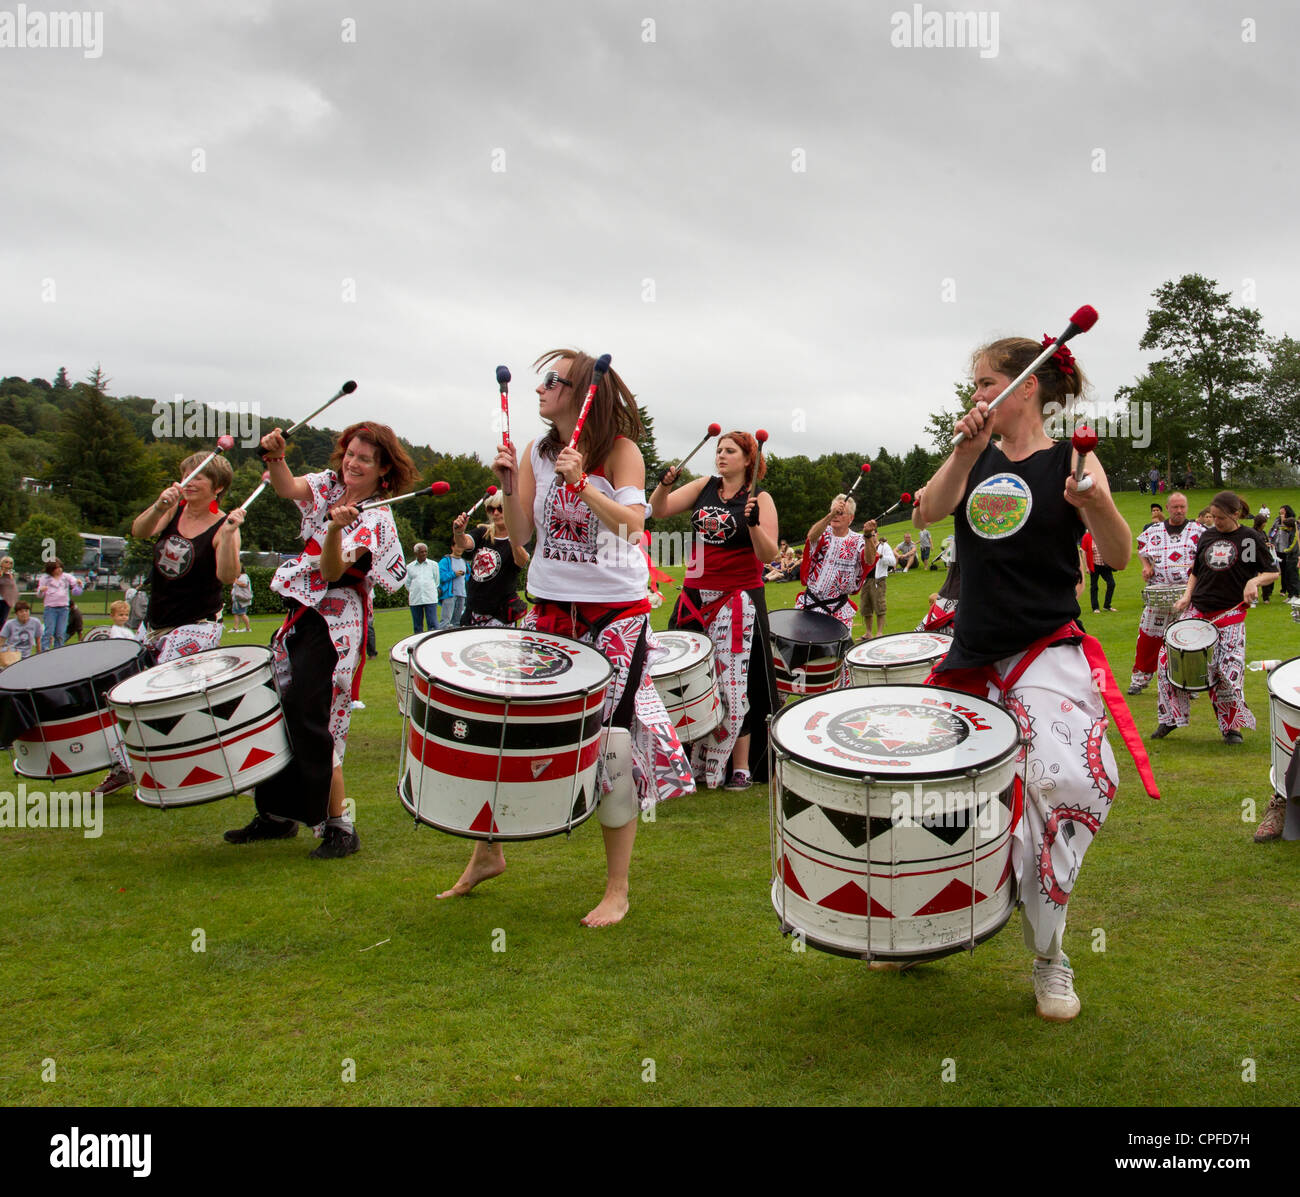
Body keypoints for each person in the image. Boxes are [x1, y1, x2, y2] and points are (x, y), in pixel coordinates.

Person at [915, 331, 1141, 1023]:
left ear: (1028, 385)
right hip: (974, 652)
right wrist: (961, 448)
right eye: (976, 385)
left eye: (986, 383)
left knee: (1054, 784)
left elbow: (1117, 553)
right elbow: (926, 510)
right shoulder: (974, 457)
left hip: (1045, 648)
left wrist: (1092, 501)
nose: (976, 395)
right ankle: (927, 928)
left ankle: (1050, 956)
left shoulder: (1072, 458)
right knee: (941, 801)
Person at [440, 349, 693, 925]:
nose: (540, 390)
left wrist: (584, 486)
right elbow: (524, 531)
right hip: (550, 606)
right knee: (509, 722)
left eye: (551, 381)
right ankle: (489, 852)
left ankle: (617, 888)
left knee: (613, 743)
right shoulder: (536, 452)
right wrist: (508, 488)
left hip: (614, 614)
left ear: (581, 392)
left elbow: (632, 530)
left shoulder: (620, 452)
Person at [223, 422, 414, 859]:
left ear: (383, 468)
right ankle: (276, 814)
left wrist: (332, 530)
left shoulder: (376, 518)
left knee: (315, 716)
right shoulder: (329, 485)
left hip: (336, 624)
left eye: (365, 458)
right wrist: (275, 455)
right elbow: (287, 487)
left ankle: (340, 827)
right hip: (301, 616)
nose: (352, 462)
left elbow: (330, 572)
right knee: (277, 708)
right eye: (350, 453)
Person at [652, 429, 780, 792]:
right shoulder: (704, 486)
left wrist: (753, 524)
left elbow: (768, 556)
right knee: (687, 679)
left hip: (738, 599)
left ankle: (740, 766)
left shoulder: (760, 498)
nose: (721, 456)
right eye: (719, 450)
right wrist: (663, 485)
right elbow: (659, 511)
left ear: (747, 459)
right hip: (694, 596)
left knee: (736, 685)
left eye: (730, 451)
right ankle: (690, 758)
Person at [1152, 492, 1278, 745]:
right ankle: (1170, 718)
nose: (1215, 522)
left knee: (1226, 670)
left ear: (1235, 514)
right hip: (1198, 610)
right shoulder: (1207, 536)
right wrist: (1187, 597)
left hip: (1230, 612)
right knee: (1167, 661)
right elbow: (1196, 572)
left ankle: (1231, 728)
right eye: (1213, 517)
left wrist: (1254, 580)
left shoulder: (1249, 539)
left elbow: (1272, 572)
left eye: (1220, 517)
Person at [130, 452, 243, 663]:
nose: (188, 482)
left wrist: (227, 537)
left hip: (196, 625)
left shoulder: (225, 527)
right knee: (129, 682)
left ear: (217, 487)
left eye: (197, 477)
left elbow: (228, 577)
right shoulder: (173, 510)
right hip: (155, 620)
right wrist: (158, 506)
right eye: (186, 476)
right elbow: (139, 531)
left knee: (164, 688)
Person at [1128, 491, 1200, 694]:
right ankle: (1139, 679)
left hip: (1187, 594)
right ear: (1167, 508)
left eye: (1182, 507)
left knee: (1187, 639)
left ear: (1187, 508)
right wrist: (1146, 566)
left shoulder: (1198, 530)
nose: (1179, 511)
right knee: (1148, 637)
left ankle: (1190, 682)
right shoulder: (1154, 530)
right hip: (1159, 594)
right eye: (1175, 507)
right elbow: (1141, 549)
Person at [795, 494, 872, 637]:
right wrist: (830, 515)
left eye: (840, 513)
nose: (836, 516)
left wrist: (868, 537)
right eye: (833, 511)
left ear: (851, 518)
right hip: (810, 605)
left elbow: (870, 560)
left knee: (836, 655)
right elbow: (811, 537)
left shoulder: (858, 540)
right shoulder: (823, 532)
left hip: (839, 609)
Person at [452, 492, 529, 626]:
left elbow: (522, 561)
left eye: (500, 508)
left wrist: (513, 536)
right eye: (491, 509)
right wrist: (459, 532)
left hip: (500, 614)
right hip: (473, 611)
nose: (496, 513)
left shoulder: (520, 536)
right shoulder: (483, 532)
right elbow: (463, 543)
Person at [36, 560, 83, 651]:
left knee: (60, 633)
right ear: (51, 569)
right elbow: (39, 595)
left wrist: (79, 584)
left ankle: (58, 650)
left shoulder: (66, 577)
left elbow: (75, 586)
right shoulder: (45, 578)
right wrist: (41, 590)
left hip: (64, 609)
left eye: (60, 567)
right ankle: (44, 650)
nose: (59, 570)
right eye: (56, 568)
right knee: (49, 631)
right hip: (50, 608)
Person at [861, 521, 895, 638]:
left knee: (879, 606)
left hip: (878, 580)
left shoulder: (884, 546)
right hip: (866, 580)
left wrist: (881, 556)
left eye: (873, 534)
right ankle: (868, 633)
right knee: (866, 607)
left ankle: (879, 633)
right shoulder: (865, 545)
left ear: (877, 534)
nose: (872, 536)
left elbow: (893, 562)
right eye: (869, 534)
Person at [405, 542, 439, 633]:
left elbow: (436, 581)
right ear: (416, 553)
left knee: (433, 625)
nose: (424, 554)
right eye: (421, 552)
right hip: (416, 599)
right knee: (417, 626)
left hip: (430, 598)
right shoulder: (409, 567)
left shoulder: (433, 565)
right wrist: (415, 590)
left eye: (425, 552)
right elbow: (407, 584)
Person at [1081, 528, 1117, 613]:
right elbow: (1084, 552)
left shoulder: (1103, 536)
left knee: (1111, 584)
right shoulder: (1087, 537)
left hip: (1105, 565)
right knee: (1094, 587)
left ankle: (1107, 606)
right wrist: (1086, 567)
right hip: (1094, 565)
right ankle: (1095, 608)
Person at [1268, 505, 1300, 599]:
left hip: (1290, 553)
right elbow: (1276, 529)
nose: (1281, 514)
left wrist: (1287, 550)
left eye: (1283, 512)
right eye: (1280, 512)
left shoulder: (1294, 527)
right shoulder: (1278, 521)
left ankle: (1294, 593)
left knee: (1292, 574)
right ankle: (1289, 593)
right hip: (1280, 549)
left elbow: (1292, 542)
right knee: (1285, 572)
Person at [439, 540, 468, 628]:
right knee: (445, 622)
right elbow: (440, 577)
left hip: (462, 594)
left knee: (457, 622)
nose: (460, 549)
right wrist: (454, 574)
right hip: (449, 595)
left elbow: (468, 577)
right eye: (458, 546)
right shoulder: (445, 561)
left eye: (461, 547)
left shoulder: (464, 562)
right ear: (452, 547)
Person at [0, 557, 17, 628]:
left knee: (3, 620)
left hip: (6, 600)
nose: (8, 564)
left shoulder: (11, 574)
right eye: (6, 562)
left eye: (10, 563)